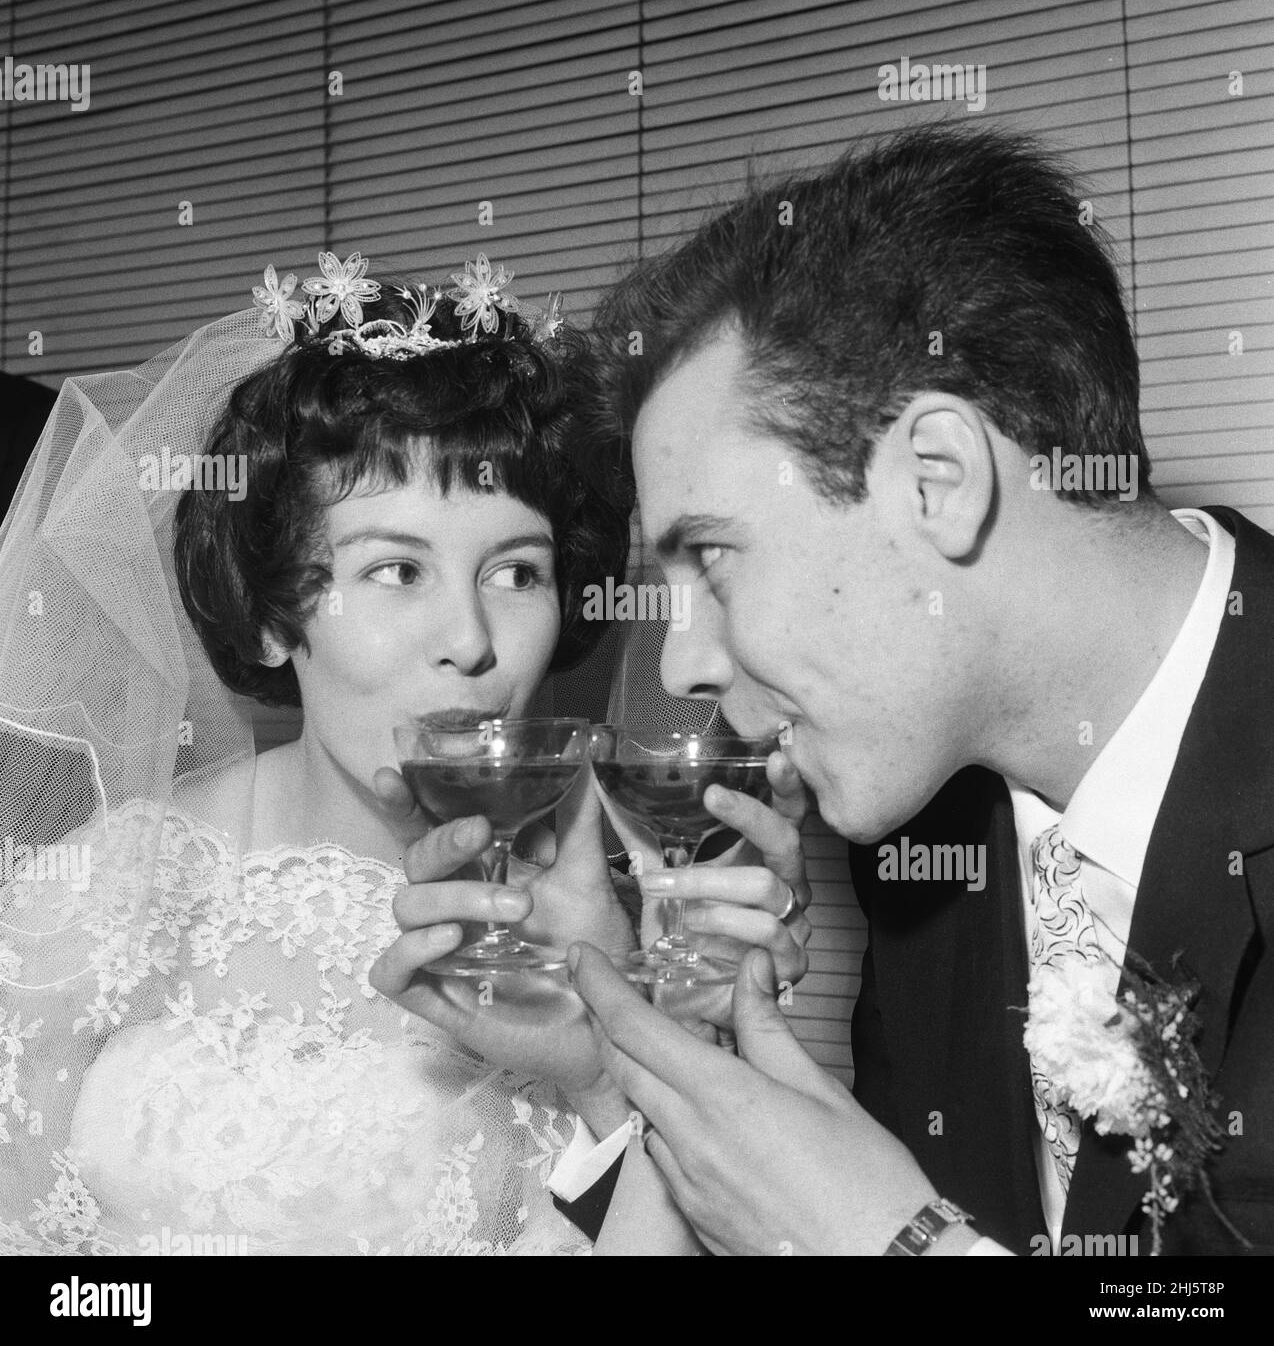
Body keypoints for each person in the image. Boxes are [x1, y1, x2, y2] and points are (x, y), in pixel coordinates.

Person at [0, 251, 808, 1255]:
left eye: (517, 571)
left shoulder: (622, 929)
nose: (469, 640)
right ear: (269, 617)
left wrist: (644, 1059)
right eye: (395, 569)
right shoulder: (104, 894)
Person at [564, 125, 1274, 1256]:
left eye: (712, 555)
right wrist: (684, 1063)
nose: (680, 663)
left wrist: (897, 1245)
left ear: (935, 481)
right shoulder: (919, 838)